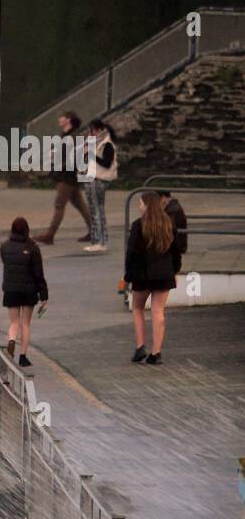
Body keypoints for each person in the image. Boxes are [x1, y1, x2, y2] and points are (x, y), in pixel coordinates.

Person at [125, 190, 181, 365]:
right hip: (164, 275)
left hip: (142, 275)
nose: (139, 207)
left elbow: (131, 253)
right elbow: (176, 252)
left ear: (147, 205)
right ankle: (156, 352)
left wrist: (128, 275)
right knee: (158, 311)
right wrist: (175, 270)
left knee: (138, 308)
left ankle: (140, 347)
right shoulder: (168, 224)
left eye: (140, 204)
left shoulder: (137, 225)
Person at [34, 111, 92, 245]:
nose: (59, 119)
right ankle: (95, 231)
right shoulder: (68, 135)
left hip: (67, 176)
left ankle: (50, 235)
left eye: (62, 117)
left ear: (68, 120)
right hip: (68, 175)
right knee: (80, 205)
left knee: (59, 205)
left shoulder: (73, 136)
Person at [0, 216, 49, 368]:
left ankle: (11, 340)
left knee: (14, 322)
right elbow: (38, 274)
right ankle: (23, 356)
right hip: (29, 291)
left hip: (11, 290)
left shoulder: (5, 247)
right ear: (26, 230)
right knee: (25, 323)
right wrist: (44, 295)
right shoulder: (33, 247)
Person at [83, 119, 118, 252]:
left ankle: (99, 241)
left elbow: (106, 163)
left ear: (97, 130)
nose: (89, 133)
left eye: (91, 131)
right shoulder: (97, 143)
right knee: (96, 211)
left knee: (97, 211)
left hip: (99, 180)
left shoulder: (106, 144)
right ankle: (99, 240)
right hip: (93, 179)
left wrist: (91, 154)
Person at [159, 190, 189, 255]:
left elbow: (168, 228)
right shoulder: (171, 207)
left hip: (176, 247)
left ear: (163, 198)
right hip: (176, 245)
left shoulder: (173, 209)